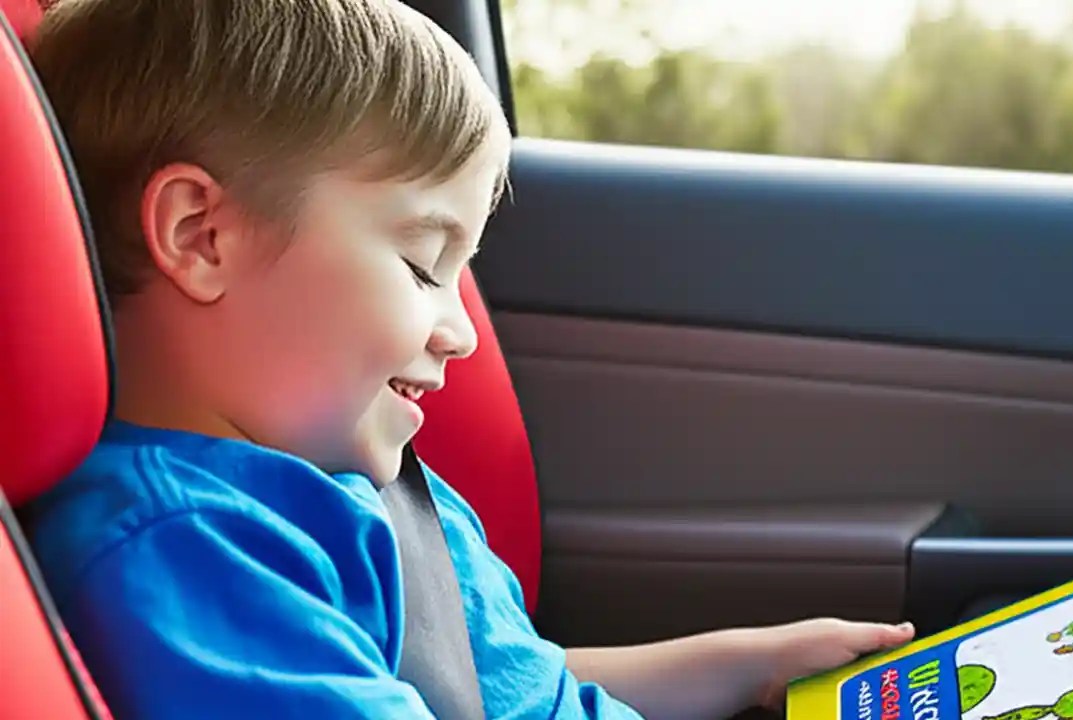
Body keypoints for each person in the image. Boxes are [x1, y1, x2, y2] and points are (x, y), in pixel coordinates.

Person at [18, 0, 915, 718]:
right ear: (200, 235)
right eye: (421, 265)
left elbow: (499, 687)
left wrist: (747, 665)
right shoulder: (185, 554)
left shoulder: (366, 489)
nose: (462, 331)